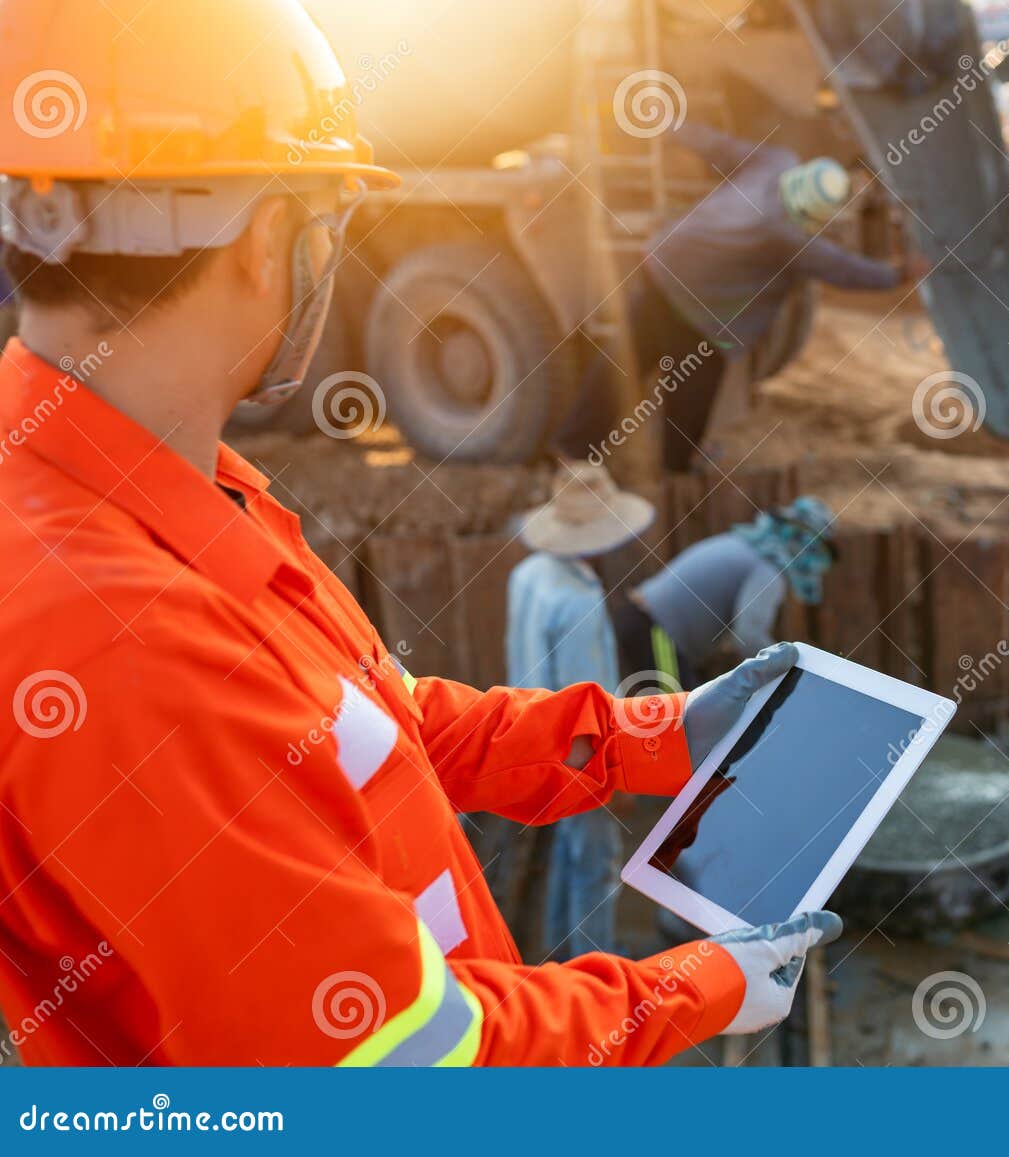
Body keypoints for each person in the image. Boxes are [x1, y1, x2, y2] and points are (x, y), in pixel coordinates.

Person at [0, 0, 839, 1067]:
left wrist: (658, 737)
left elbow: (379, 732)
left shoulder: (158, 494)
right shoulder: (120, 634)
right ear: (272, 242)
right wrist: (695, 987)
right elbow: (399, 1063)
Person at [560, 123, 920, 471]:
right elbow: (846, 270)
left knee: (627, 358)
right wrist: (900, 273)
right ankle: (677, 467)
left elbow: (721, 146)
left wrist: (674, 127)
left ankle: (573, 446)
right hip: (696, 303)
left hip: (661, 262)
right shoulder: (787, 237)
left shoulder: (777, 162)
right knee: (694, 385)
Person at [505, 462, 655, 961]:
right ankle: (598, 976)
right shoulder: (580, 601)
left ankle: (559, 962)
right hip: (577, 756)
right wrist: (611, 775)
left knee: (567, 857)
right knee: (594, 864)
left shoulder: (527, 576)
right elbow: (587, 705)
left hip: (532, 736)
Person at [620, 497, 838, 691]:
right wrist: (789, 672)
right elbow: (748, 636)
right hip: (657, 633)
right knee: (685, 721)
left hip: (642, 623)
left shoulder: (743, 544)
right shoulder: (768, 570)